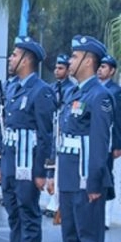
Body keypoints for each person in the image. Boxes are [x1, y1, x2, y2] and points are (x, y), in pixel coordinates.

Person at [47, 35, 113, 242]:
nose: (70, 61)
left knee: (89, 237)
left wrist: (97, 182)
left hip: (88, 179)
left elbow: (101, 143)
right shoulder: (75, 93)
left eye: (75, 57)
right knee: (70, 235)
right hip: (70, 177)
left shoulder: (100, 96)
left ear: (89, 60)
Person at [0, 36, 55, 242]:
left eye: (15, 55)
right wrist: (1, 163)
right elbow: (7, 129)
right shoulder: (14, 88)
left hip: (28, 165)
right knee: (14, 215)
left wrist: (42, 171)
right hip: (11, 163)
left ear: (27, 59)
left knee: (29, 216)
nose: (11, 59)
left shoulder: (41, 91)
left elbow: (44, 134)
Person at [43, 55, 75, 217]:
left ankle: (57, 205)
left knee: (60, 167)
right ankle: (52, 202)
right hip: (52, 128)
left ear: (69, 71)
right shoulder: (52, 87)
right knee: (50, 162)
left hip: (63, 130)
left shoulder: (72, 88)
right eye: (56, 68)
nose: (57, 71)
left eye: (61, 68)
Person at [97, 55, 121, 227]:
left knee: (107, 177)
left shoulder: (116, 91)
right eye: (99, 66)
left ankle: (105, 217)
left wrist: (118, 144)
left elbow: (118, 119)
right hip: (95, 140)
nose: (100, 69)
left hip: (108, 141)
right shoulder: (94, 87)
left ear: (112, 71)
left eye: (104, 67)